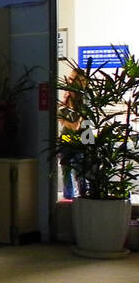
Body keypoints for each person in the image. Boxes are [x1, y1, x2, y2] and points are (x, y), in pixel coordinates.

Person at [60, 66, 86, 200]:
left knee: (79, 167)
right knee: (66, 166)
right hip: (66, 136)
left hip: (80, 137)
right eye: (69, 78)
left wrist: (64, 118)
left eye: (72, 78)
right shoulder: (67, 97)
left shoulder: (84, 100)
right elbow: (62, 121)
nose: (69, 81)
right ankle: (68, 195)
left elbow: (76, 125)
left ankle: (83, 194)